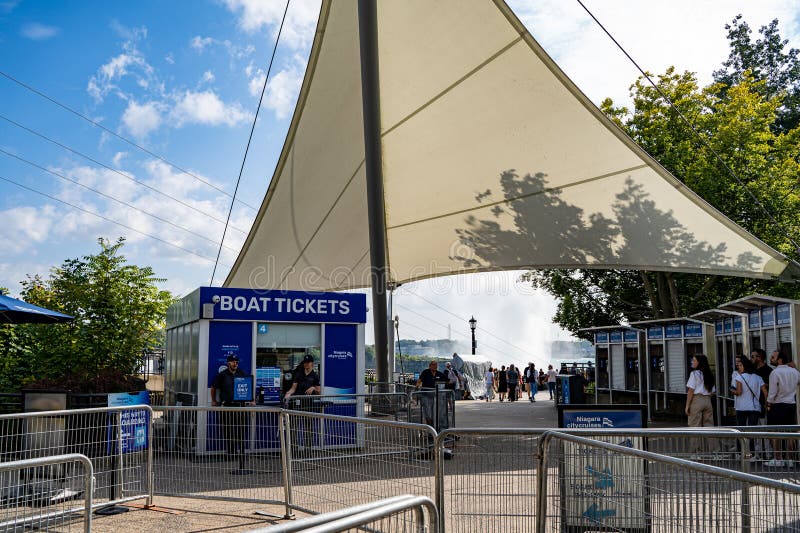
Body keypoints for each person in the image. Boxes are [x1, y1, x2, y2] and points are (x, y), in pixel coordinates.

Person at [210, 354, 250, 456]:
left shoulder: (242, 373)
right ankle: (231, 453)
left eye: (237, 362)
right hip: (227, 406)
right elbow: (213, 388)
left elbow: (247, 385)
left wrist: (251, 399)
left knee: (240, 430)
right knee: (229, 430)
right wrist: (214, 401)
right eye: (233, 362)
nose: (235, 363)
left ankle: (241, 453)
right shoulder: (222, 375)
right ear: (228, 363)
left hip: (240, 407)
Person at [765, 351, 800, 467]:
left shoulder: (775, 373)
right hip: (791, 404)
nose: (771, 358)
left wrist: (769, 403)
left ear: (780, 360)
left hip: (778, 404)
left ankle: (778, 458)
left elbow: (773, 392)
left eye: (773, 357)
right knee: (790, 432)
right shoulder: (794, 372)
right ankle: (789, 459)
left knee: (776, 432)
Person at [732, 355, 767, 455]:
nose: (738, 367)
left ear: (745, 366)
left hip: (741, 407)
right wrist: (766, 404)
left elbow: (739, 392)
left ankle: (740, 452)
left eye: (740, 365)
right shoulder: (758, 378)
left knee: (740, 430)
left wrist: (732, 391)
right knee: (751, 431)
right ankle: (751, 453)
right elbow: (765, 392)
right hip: (754, 407)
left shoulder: (739, 377)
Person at [751, 348, 773, 458]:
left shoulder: (768, 371)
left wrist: (762, 385)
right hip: (754, 404)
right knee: (756, 429)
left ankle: (768, 453)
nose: (752, 359)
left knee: (765, 428)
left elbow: (771, 385)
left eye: (753, 356)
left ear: (760, 358)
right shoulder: (753, 370)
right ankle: (758, 453)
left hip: (763, 403)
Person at [416, 360, 446, 427]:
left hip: (435, 396)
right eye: (433, 364)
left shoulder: (439, 374)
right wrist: (417, 387)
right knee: (428, 413)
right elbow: (419, 380)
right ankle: (430, 427)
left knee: (435, 412)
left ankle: (435, 427)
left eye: (436, 365)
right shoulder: (425, 372)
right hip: (426, 395)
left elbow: (447, 380)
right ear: (430, 366)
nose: (435, 366)